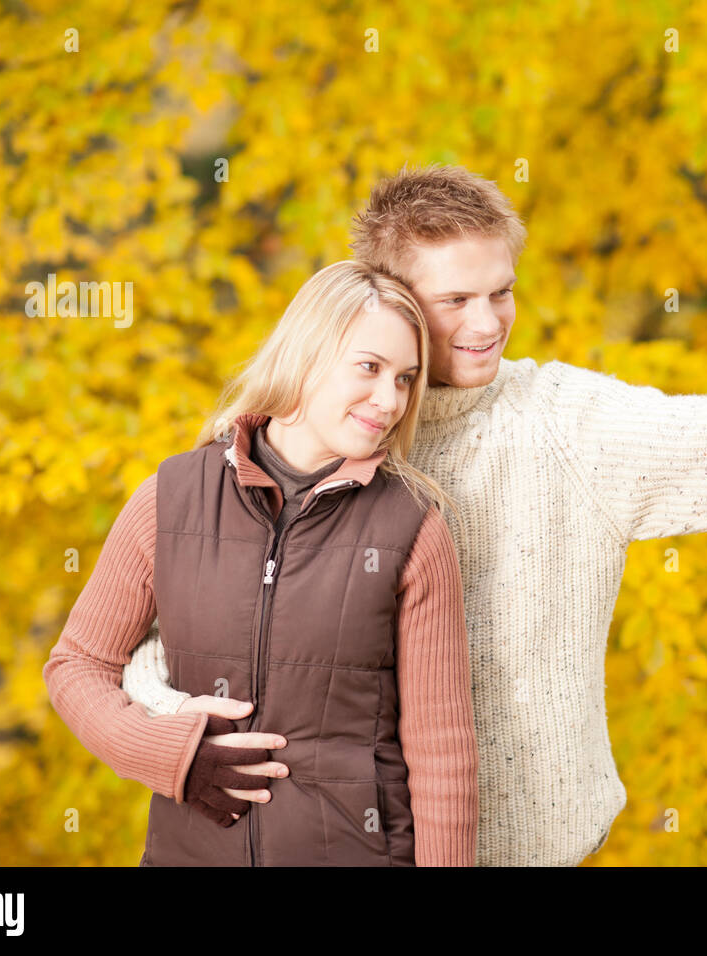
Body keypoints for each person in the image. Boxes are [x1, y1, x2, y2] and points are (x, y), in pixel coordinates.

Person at [121, 164, 707, 866]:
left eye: (502, 291)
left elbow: (703, 435)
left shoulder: (559, 421)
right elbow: (190, 628)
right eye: (455, 301)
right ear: (382, 299)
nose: (489, 321)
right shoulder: (329, 432)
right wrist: (175, 729)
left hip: (526, 848)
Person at [43, 260, 479, 866]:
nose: (390, 399)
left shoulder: (413, 528)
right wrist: (171, 754)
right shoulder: (170, 499)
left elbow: (441, 753)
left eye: (405, 378)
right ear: (305, 355)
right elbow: (77, 665)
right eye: (369, 367)